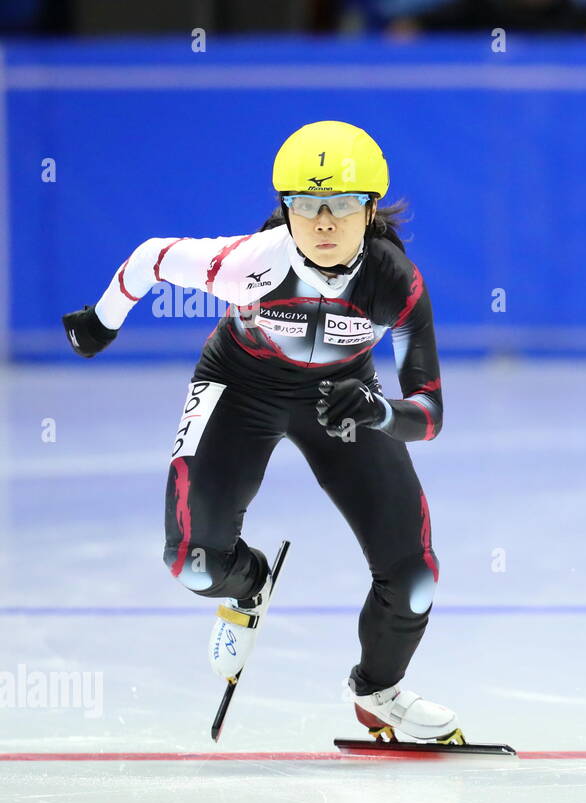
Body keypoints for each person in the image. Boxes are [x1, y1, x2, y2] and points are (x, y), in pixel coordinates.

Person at [60, 121, 462, 744]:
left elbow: (430, 413)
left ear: (371, 208)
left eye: (343, 205)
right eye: (306, 204)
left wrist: (378, 412)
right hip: (240, 388)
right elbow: (151, 259)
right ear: (285, 210)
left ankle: (378, 693)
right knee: (195, 565)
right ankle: (248, 588)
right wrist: (100, 321)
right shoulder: (247, 264)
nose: (324, 222)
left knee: (415, 581)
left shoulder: (399, 285)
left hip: (342, 401)